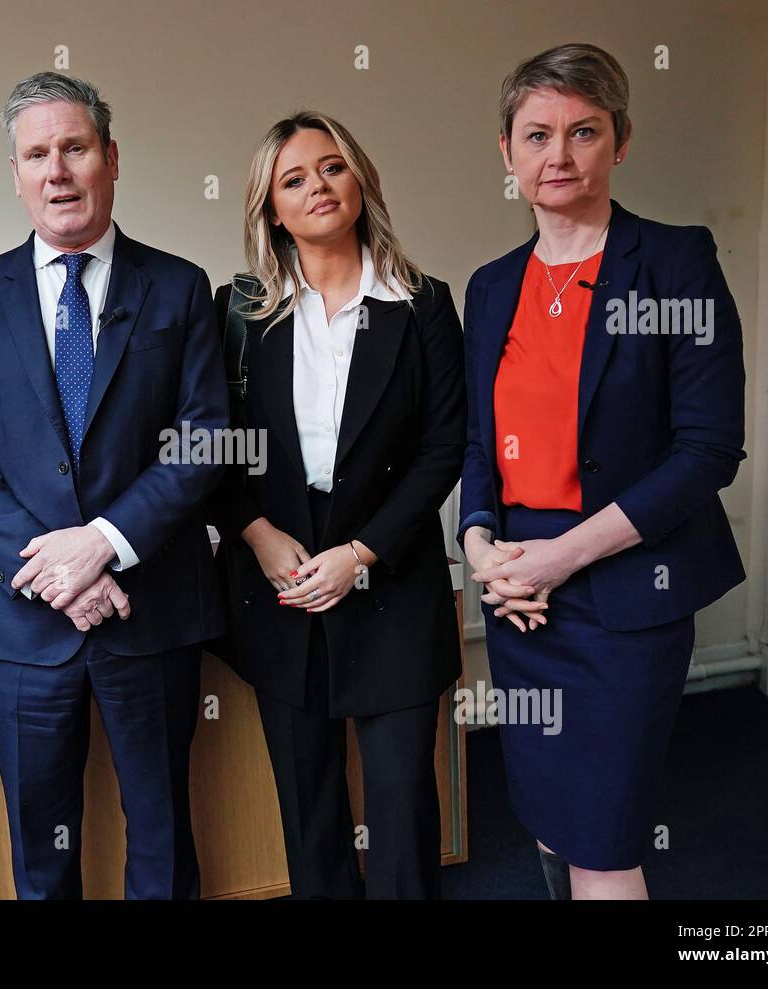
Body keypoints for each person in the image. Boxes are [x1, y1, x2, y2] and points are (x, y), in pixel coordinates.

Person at [0, 72, 228, 899]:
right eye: (36, 154)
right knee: (40, 842)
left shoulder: (178, 287)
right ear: (16, 174)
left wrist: (103, 543)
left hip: (152, 608)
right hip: (24, 619)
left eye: (75, 147)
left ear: (111, 158)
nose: (57, 170)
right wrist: (58, 571)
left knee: (163, 830)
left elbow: (204, 441)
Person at [458, 44, 746, 899]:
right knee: (547, 816)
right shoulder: (490, 286)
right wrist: (478, 545)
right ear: (505, 153)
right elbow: (479, 442)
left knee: (605, 837)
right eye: (536, 134)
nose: (559, 156)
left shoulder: (674, 261)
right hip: (518, 591)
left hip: (624, 582)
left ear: (620, 141)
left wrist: (563, 556)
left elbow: (708, 450)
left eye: (584, 131)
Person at [212, 111, 465, 898]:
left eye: (331, 168)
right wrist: (255, 533)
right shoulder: (238, 310)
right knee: (308, 802)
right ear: (270, 208)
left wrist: (361, 553)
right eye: (293, 178)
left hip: (391, 578)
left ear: (360, 181)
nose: (316, 187)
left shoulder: (423, 303)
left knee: (399, 804)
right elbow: (209, 444)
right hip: (279, 582)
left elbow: (444, 448)